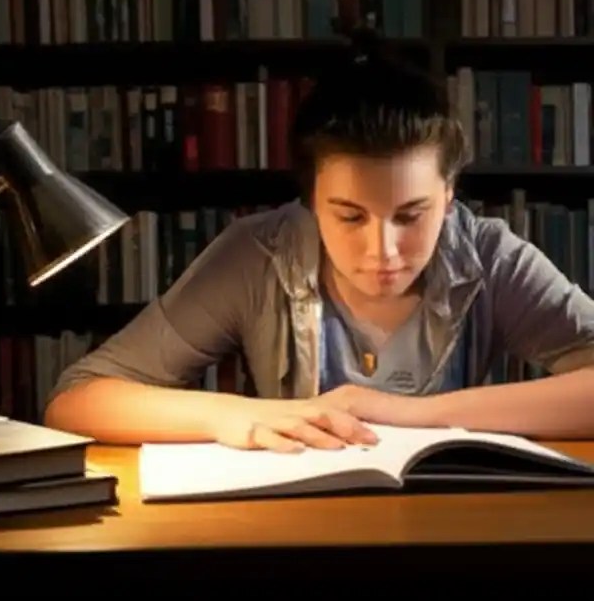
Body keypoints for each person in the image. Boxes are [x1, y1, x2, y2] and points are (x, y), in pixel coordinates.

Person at [44, 29, 594, 452]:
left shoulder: (489, 256)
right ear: (310, 201)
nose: (383, 250)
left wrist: (395, 412)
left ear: (449, 195)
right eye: (351, 216)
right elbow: (76, 399)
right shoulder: (256, 255)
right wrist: (234, 416)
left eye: (411, 215)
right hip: (296, 538)